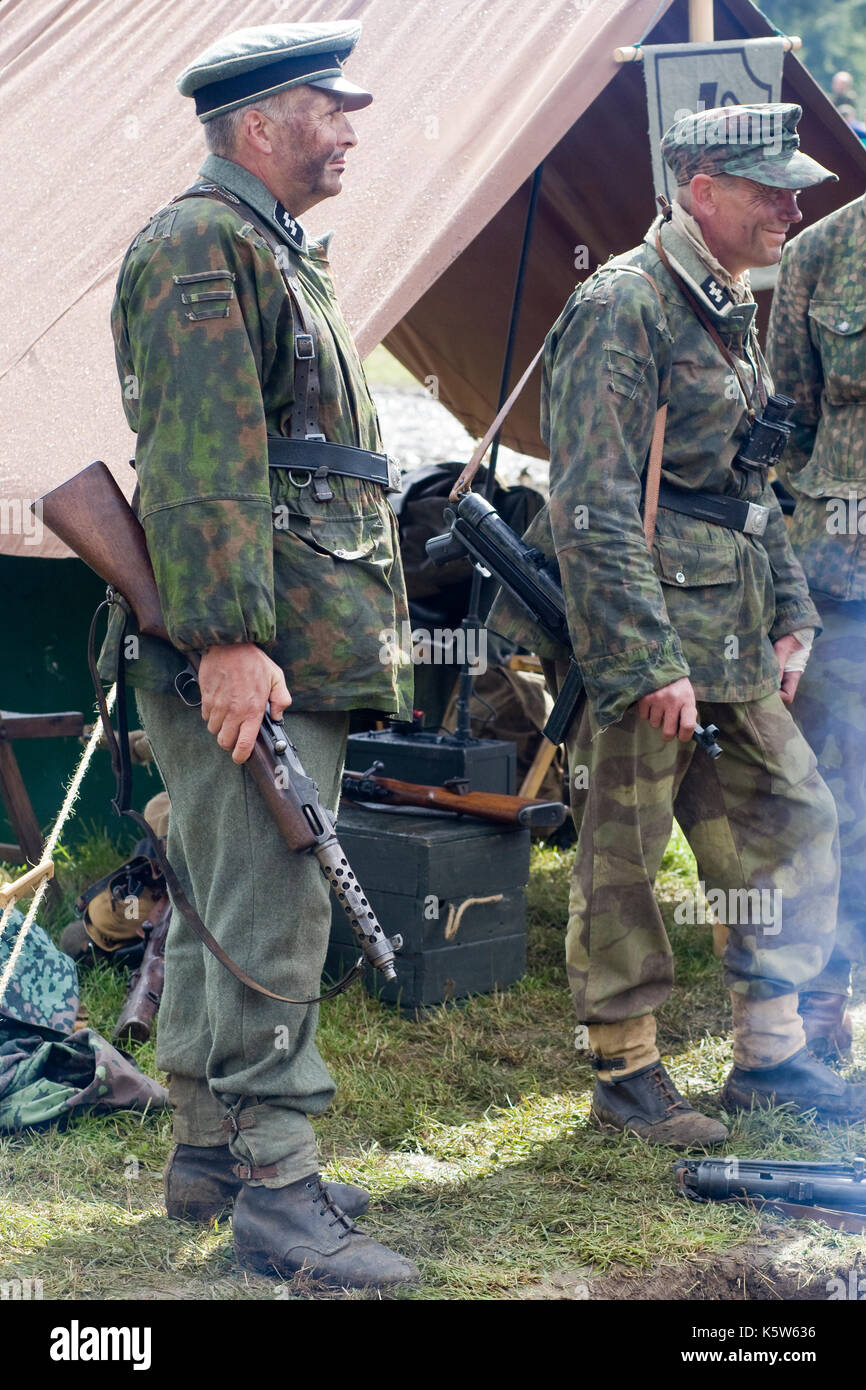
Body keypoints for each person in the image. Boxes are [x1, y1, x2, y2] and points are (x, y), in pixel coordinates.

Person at [100, 22, 417, 1286]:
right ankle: (278, 1192)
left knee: (228, 888)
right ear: (255, 124)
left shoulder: (263, 246)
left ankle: (206, 1155)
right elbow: (197, 467)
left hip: (291, 628)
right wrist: (226, 638)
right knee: (274, 902)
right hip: (253, 636)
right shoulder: (198, 246)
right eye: (325, 108)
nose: (347, 130)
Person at [488, 104, 866, 1145]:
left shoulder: (720, 304)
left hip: (736, 627)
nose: (792, 206)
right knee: (622, 847)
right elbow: (592, 502)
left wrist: (788, 611)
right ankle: (623, 1071)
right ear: (700, 189)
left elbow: (753, 483)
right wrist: (642, 656)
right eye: (767, 190)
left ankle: (770, 1050)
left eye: (792, 189)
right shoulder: (625, 305)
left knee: (791, 818)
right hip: (650, 627)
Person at [766, 191, 866, 1064]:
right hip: (847, 578)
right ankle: (823, 994)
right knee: (833, 796)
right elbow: (788, 425)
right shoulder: (821, 254)